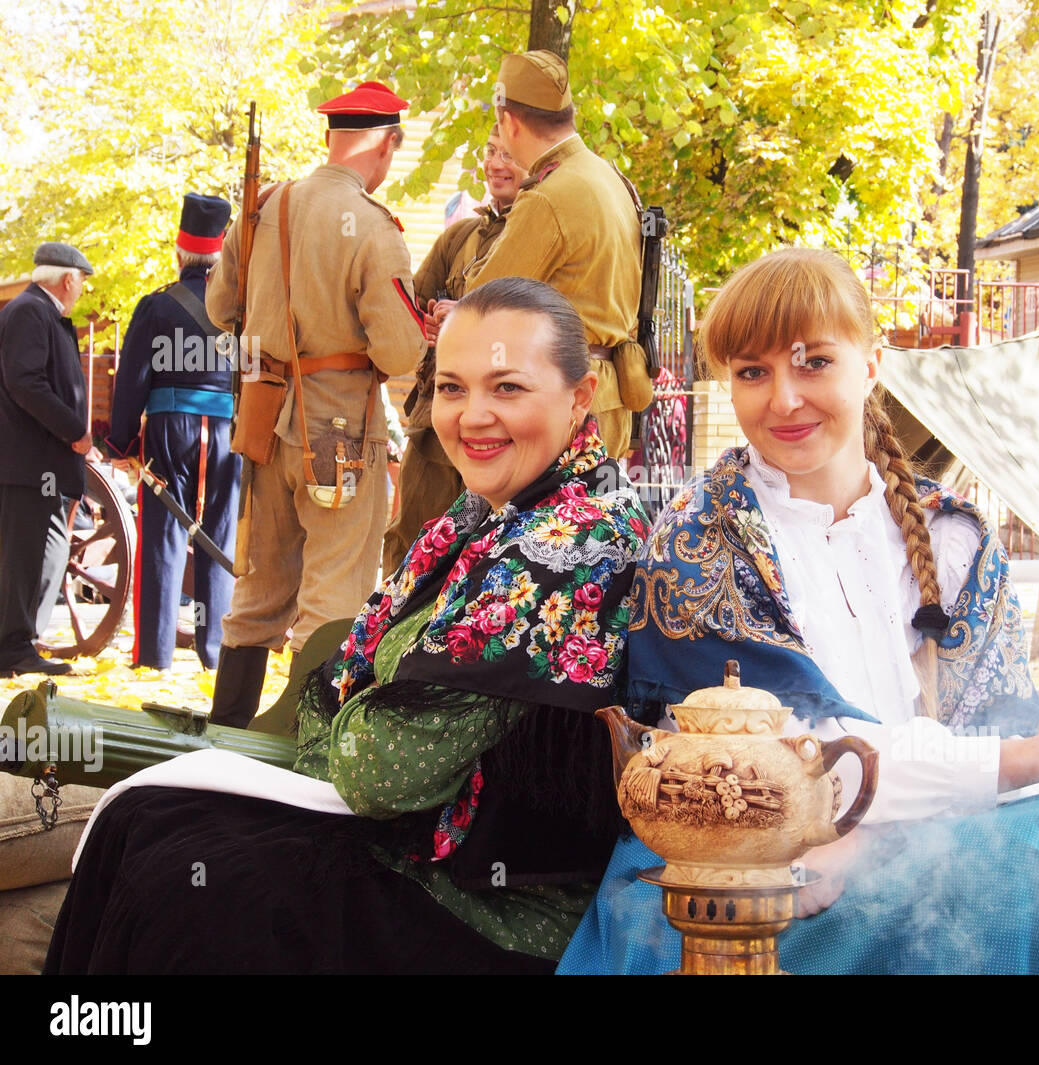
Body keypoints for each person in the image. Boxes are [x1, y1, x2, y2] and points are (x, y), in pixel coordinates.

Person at [559, 248, 1039, 975]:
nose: (783, 398)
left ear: (871, 364)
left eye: (813, 364)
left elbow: (996, 739)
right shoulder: (698, 543)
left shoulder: (953, 535)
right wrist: (1036, 755)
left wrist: (875, 839)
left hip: (907, 847)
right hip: (740, 874)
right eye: (752, 371)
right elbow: (788, 773)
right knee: (980, 890)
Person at [44, 278, 650, 974]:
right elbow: (346, 693)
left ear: (581, 396)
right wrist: (364, 699)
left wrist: (354, 701)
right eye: (451, 388)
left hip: (500, 906)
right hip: (423, 843)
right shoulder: (485, 514)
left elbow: (378, 771)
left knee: (196, 886)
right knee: (145, 819)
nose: (473, 415)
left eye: (507, 387)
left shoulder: (575, 539)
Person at [203, 80, 427, 726]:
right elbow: (398, 352)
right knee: (335, 594)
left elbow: (221, 308)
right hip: (337, 432)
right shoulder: (374, 228)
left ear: (331, 139)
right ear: (387, 146)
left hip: (261, 420)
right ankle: (306, 745)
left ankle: (224, 735)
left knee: (259, 590)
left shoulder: (268, 204)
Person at [460, 49, 649, 461]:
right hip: (605, 397)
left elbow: (480, 303)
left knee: (542, 526)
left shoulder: (549, 195)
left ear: (508, 122)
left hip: (564, 404)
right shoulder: (608, 176)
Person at [381, 124, 527, 575]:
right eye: (490, 151)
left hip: (505, 419)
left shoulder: (538, 233)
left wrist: (466, 314)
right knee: (412, 537)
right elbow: (406, 303)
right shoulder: (458, 237)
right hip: (436, 421)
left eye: (508, 154)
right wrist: (425, 323)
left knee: (491, 548)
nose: (496, 164)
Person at [105, 193, 240, 670]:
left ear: (179, 254)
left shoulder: (157, 306)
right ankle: (213, 652)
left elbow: (133, 380)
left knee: (163, 537)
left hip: (169, 432)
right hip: (226, 435)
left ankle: (155, 655)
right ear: (221, 254)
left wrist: (120, 442)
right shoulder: (239, 309)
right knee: (218, 538)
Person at [0, 242, 97, 679]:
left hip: (42, 461)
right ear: (67, 278)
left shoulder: (41, 313)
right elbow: (26, 383)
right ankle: (13, 648)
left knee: (48, 547)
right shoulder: (29, 312)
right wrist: (74, 431)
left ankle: (23, 641)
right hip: (28, 460)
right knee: (25, 554)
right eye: (81, 281)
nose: (81, 290)